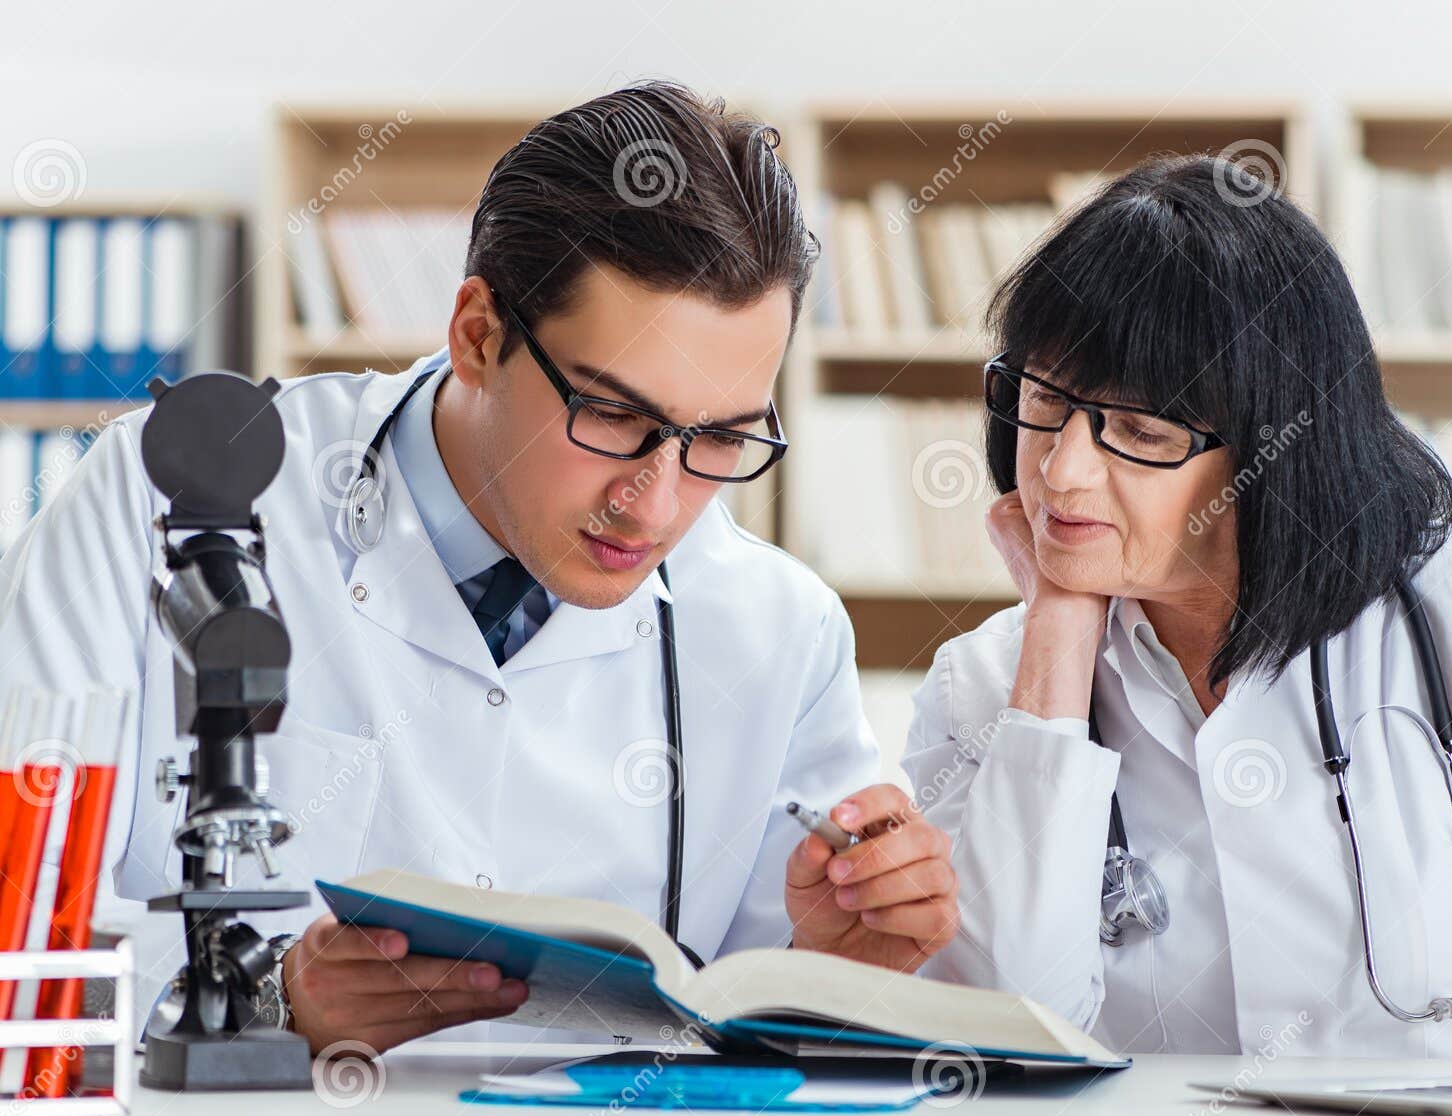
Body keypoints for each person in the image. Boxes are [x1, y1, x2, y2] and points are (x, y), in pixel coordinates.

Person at [0, 82, 957, 1055]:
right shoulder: (169, 493)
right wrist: (265, 999)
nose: (656, 501)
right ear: (476, 333)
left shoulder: (780, 629)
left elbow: (759, 1032)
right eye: (613, 416)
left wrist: (830, 957)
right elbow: (18, 927)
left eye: (719, 437)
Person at [903, 154, 1452, 1059]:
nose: (1060, 473)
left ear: (1277, 449)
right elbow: (1010, 1044)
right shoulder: (985, 687)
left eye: (1139, 431)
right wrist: (1059, 634)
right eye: (1042, 400)